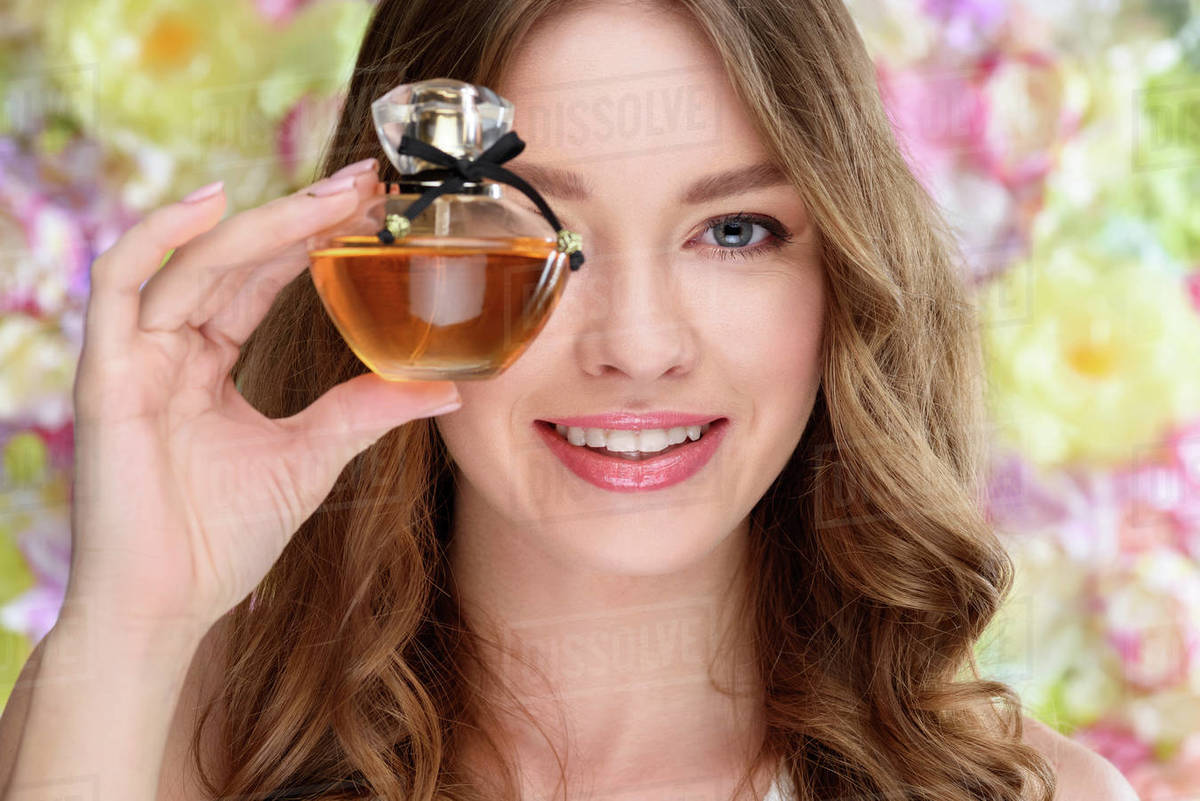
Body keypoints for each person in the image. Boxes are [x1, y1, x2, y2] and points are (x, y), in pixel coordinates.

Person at [0, 1, 1142, 800]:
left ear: (842, 273)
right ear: (386, 268)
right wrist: (134, 627)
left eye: (734, 231)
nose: (639, 348)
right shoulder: (149, 737)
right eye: (531, 233)